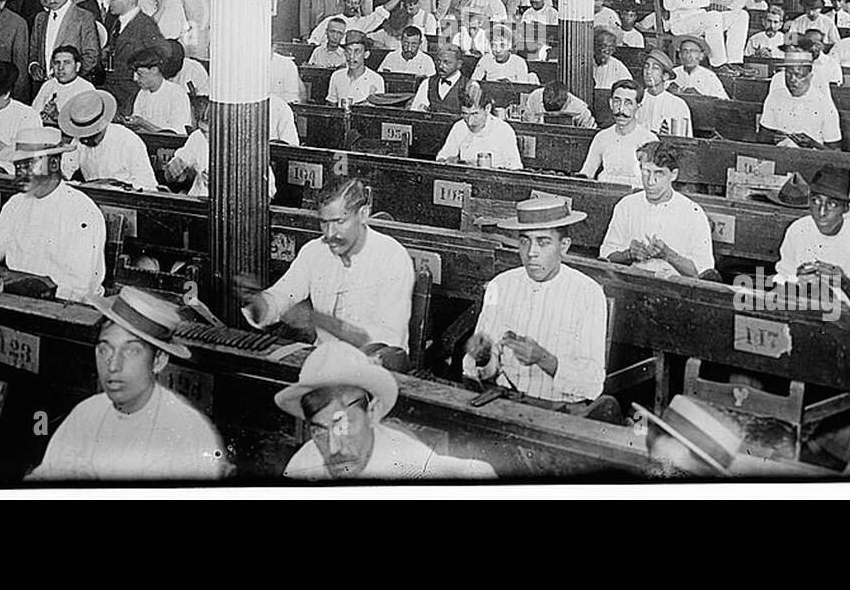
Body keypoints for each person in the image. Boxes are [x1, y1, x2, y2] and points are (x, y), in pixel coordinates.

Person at [29, 288, 229, 480]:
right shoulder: (85, 414)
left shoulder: (188, 433)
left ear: (159, 360)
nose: (113, 365)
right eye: (105, 349)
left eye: (132, 351)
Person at [241, 176, 414, 357]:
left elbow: (388, 342)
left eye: (340, 222)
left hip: (373, 366)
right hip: (323, 360)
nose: (330, 234)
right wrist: (261, 305)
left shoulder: (392, 257)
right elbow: (283, 295)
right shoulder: (314, 251)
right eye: (324, 222)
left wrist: (319, 320)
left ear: (363, 214)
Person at [463, 197, 609, 408]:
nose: (531, 252)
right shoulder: (501, 285)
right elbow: (475, 370)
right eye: (524, 241)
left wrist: (544, 359)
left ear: (564, 246)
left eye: (543, 242)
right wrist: (483, 360)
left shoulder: (587, 294)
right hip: (504, 401)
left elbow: (592, 384)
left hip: (558, 410)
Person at [279, 342, 495, 480]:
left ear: (372, 413)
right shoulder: (305, 462)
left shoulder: (409, 466)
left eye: (343, 426)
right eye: (319, 430)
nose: (333, 448)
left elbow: (479, 473)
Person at [0, 127, 106, 301]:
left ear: (53, 164)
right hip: (20, 299)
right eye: (18, 166)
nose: (20, 173)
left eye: (30, 164)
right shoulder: (17, 203)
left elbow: (79, 287)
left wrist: (23, 284)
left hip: (66, 306)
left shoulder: (81, 211)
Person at [775, 165, 850, 311]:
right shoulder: (798, 230)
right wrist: (797, 285)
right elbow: (779, 287)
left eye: (832, 204)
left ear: (846, 208)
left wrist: (844, 283)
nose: (822, 212)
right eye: (816, 201)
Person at [600, 140, 716, 279]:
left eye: (659, 173)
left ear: (673, 175)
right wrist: (629, 254)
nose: (650, 181)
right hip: (632, 284)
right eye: (646, 172)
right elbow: (606, 256)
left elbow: (702, 272)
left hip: (675, 288)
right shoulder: (626, 206)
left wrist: (667, 254)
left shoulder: (692, 213)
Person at [165, 99, 279, 197]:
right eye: (204, 130)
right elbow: (169, 177)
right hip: (198, 205)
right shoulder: (198, 137)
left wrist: (229, 185)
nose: (206, 137)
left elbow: (268, 194)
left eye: (212, 132)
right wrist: (173, 170)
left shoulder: (250, 147)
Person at [58, 89, 157, 191]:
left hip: (123, 197)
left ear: (102, 125)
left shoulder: (128, 141)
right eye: (82, 136)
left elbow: (148, 185)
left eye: (91, 135)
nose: (85, 141)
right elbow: (65, 173)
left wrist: (107, 185)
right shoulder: (79, 140)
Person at [100, 0, 166, 115]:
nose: (109, 3)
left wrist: (141, 75)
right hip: (115, 91)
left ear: (127, 0)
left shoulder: (145, 24)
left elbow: (163, 53)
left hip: (132, 95)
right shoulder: (117, 23)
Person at [27, 0, 101, 83]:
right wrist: (33, 65)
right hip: (45, 85)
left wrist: (68, 76)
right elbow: (33, 50)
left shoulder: (84, 17)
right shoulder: (40, 18)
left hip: (73, 85)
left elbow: (91, 55)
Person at [579, 80, 657, 189]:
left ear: (638, 107)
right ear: (610, 104)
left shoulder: (649, 140)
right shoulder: (602, 137)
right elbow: (587, 173)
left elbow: (655, 182)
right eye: (617, 101)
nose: (621, 109)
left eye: (628, 103)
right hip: (604, 193)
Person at [758, 49, 842, 149]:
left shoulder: (824, 105)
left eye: (799, 76)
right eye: (788, 74)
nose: (792, 80)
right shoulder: (775, 97)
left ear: (810, 77)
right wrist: (772, 138)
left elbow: (835, 152)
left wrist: (812, 144)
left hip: (811, 156)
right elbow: (761, 138)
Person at [436, 81, 523, 169]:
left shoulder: (503, 130)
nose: (470, 122)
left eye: (475, 114)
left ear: (487, 108)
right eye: (465, 114)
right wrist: (447, 160)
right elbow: (442, 157)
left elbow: (515, 167)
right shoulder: (459, 127)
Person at [125, 47, 192, 135]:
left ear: (154, 70)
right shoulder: (142, 93)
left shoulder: (176, 94)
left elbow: (176, 134)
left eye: (139, 74)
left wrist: (143, 124)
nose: (135, 79)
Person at [32, 44, 96, 123]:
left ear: (77, 66)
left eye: (67, 63)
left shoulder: (86, 89)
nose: (60, 67)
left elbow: (85, 125)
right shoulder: (48, 85)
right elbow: (34, 114)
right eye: (57, 63)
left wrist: (57, 116)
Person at [635, 50, 692, 136]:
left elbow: (684, 139)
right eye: (646, 67)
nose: (648, 72)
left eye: (655, 68)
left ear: (665, 76)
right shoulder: (635, 99)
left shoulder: (678, 105)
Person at [326, 31, 385, 105]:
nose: (351, 56)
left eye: (357, 52)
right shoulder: (337, 76)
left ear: (366, 54)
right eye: (348, 51)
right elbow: (331, 104)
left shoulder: (376, 79)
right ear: (344, 53)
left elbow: (377, 108)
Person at [410, 43, 468, 113]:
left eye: (446, 62)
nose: (440, 66)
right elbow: (415, 110)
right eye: (439, 61)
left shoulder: (469, 86)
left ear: (459, 64)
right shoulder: (428, 82)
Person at [669, 34, 728, 99]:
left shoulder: (709, 76)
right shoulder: (672, 74)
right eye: (685, 51)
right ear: (680, 55)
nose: (688, 55)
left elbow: (724, 100)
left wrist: (699, 96)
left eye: (693, 51)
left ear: (701, 56)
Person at [523, 78, 596, 128]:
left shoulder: (579, 107)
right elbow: (527, 124)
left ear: (566, 99)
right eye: (548, 99)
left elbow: (589, 131)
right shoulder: (535, 97)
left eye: (556, 103)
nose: (550, 102)